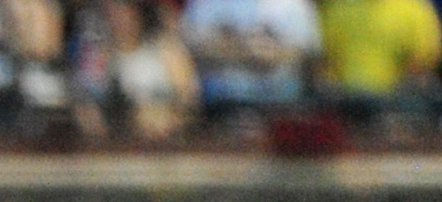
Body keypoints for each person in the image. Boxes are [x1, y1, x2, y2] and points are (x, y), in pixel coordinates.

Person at [70, 0, 201, 137]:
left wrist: (168, 117)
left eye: (126, 12)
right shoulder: (99, 58)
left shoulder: (166, 49)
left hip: (169, 138)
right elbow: (85, 105)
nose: (120, 20)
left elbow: (190, 99)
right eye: (113, 14)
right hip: (120, 141)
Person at [180, 0, 321, 108]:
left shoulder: (293, 4)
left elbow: (307, 53)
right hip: (220, 103)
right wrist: (245, 51)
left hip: (282, 103)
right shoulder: (206, 3)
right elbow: (190, 49)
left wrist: (271, 54)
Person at [317, 0, 442, 107]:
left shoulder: (414, 11)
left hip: (397, 107)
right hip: (345, 103)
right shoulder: (338, 10)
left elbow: (424, 63)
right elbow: (325, 60)